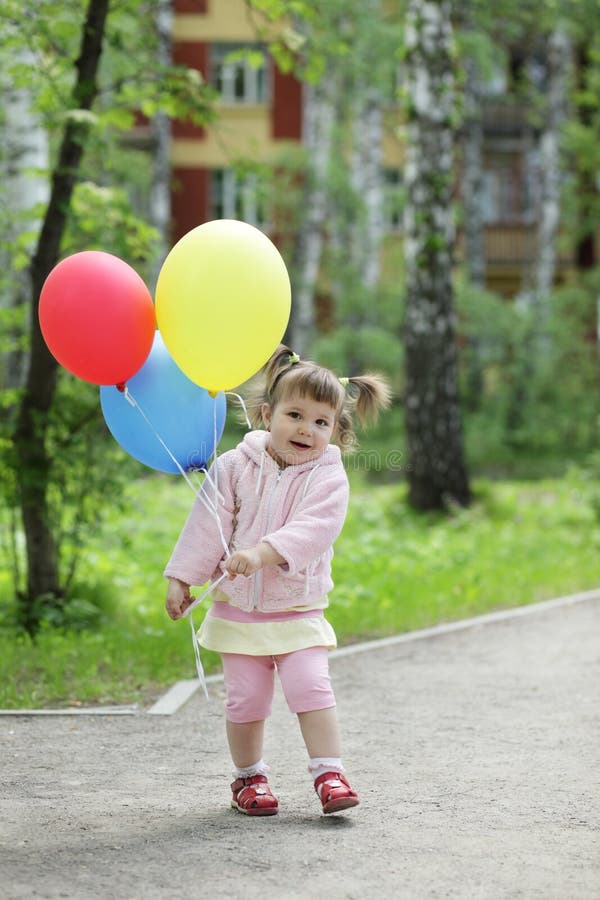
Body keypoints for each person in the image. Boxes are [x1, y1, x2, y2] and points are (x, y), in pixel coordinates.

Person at [164, 344, 390, 816]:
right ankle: (249, 779)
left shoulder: (329, 477)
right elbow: (209, 526)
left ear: (336, 431)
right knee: (246, 700)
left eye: (321, 422)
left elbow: (315, 529)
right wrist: (183, 578)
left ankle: (329, 772)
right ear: (267, 414)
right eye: (295, 414)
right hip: (238, 610)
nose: (307, 429)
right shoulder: (233, 467)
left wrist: (264, 552)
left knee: (311, 687)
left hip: (297, 608)